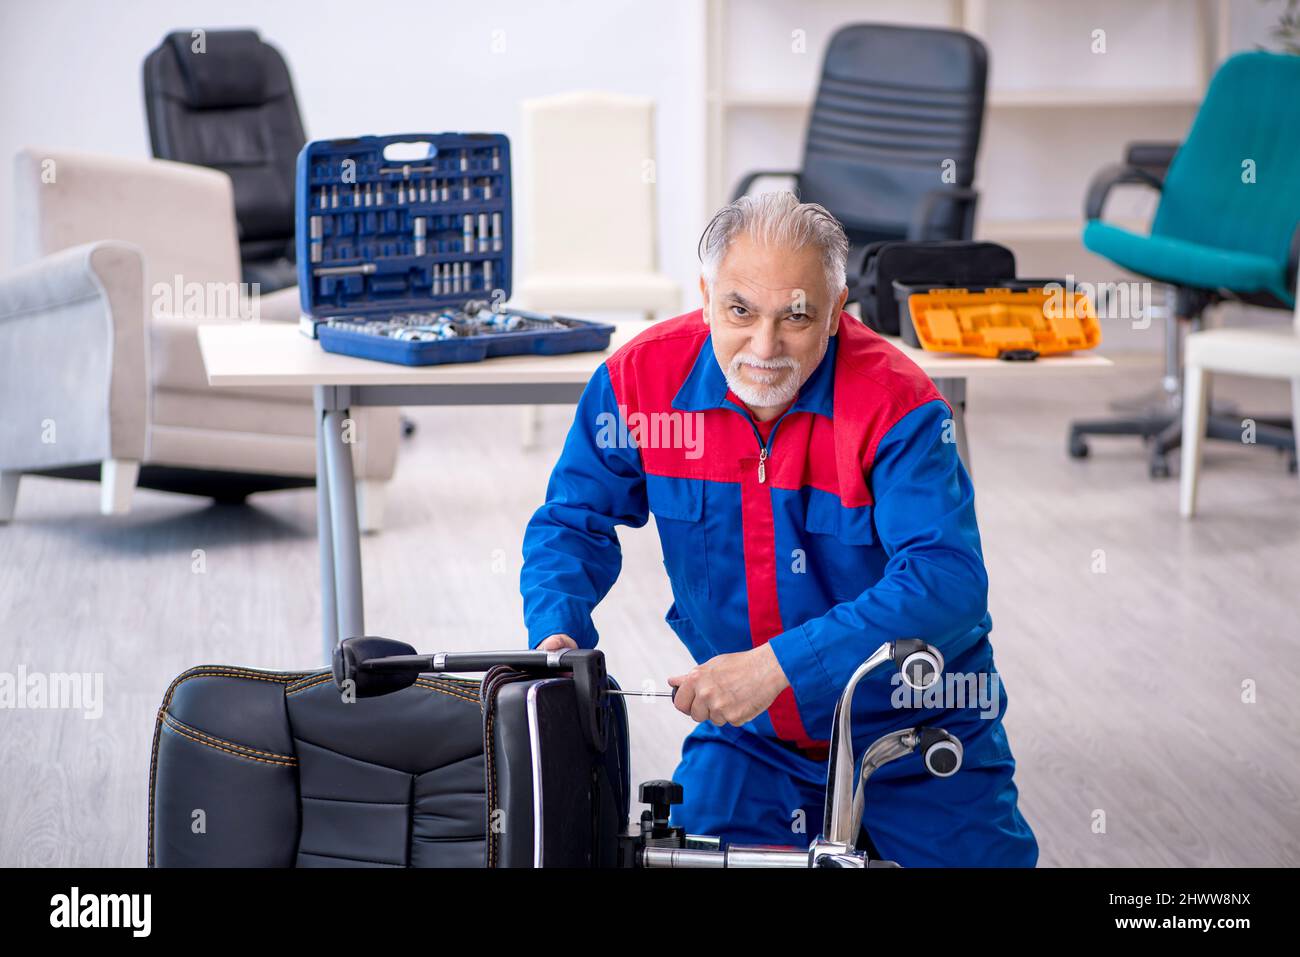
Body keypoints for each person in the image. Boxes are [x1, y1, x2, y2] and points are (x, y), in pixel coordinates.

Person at [519, 192, 1038, 866]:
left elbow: (947, 579)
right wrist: (557, 633)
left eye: (795, 316)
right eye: (739, 311)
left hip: (914, 726)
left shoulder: (899, 404)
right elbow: (571, 519)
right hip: (750, 738)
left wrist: (778, 666)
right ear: (706, 295)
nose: (765, 348)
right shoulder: (637, 383)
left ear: (836, 307)